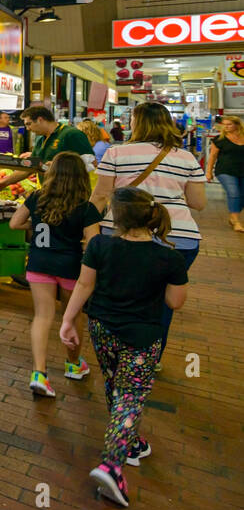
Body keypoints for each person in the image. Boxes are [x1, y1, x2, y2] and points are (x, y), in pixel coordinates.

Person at [60, 187, 188, 508]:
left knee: (117, 388)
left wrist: (67, 320)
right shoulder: (170, 257)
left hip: (102, 328)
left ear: (117, 216)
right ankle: (112, 465)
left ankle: (129, 441)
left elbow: (85, 284)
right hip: (142, 336)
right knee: (130, 395)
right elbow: (175, 301)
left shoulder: (99, 245)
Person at [90, 101, 205, 362]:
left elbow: (99, 196)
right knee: (162, 301)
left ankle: (118, 353)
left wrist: (86, 227)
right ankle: (149, 358)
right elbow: (199, 203)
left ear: (137, 123)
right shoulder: (186, 157)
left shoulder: (116, 153)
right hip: (178, 238)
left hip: (120, 234)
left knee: (118, 293)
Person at [9, 152, 101, 397]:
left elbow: (14, 224)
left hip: (39, 263)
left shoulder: (37, 197)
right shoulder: (86, 206)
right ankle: (73, 363)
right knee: (71, 316)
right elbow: (94, 242)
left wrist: (39, 227)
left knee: (42, 317)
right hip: (70, 266)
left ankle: (39, 373)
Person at [0, 105, 94, 192]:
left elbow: (92, 163)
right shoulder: (40, 141)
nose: (28, 129)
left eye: (29, 124)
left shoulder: (71, 134)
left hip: (70, 194)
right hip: (48, 193)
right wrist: (5, 182)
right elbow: (29, 168)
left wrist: (59, 165)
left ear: (40, 120)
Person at [205, 114, 244, 232]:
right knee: (234, 193)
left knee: (241, 195)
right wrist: (208, 172)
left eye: (229, 124)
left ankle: (233, 215)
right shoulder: (219, 140)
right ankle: (235, 220)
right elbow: (212, 156)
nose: (226, 127)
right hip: (225, 170)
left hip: (242, 170)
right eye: (224, 124)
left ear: (237, 125)